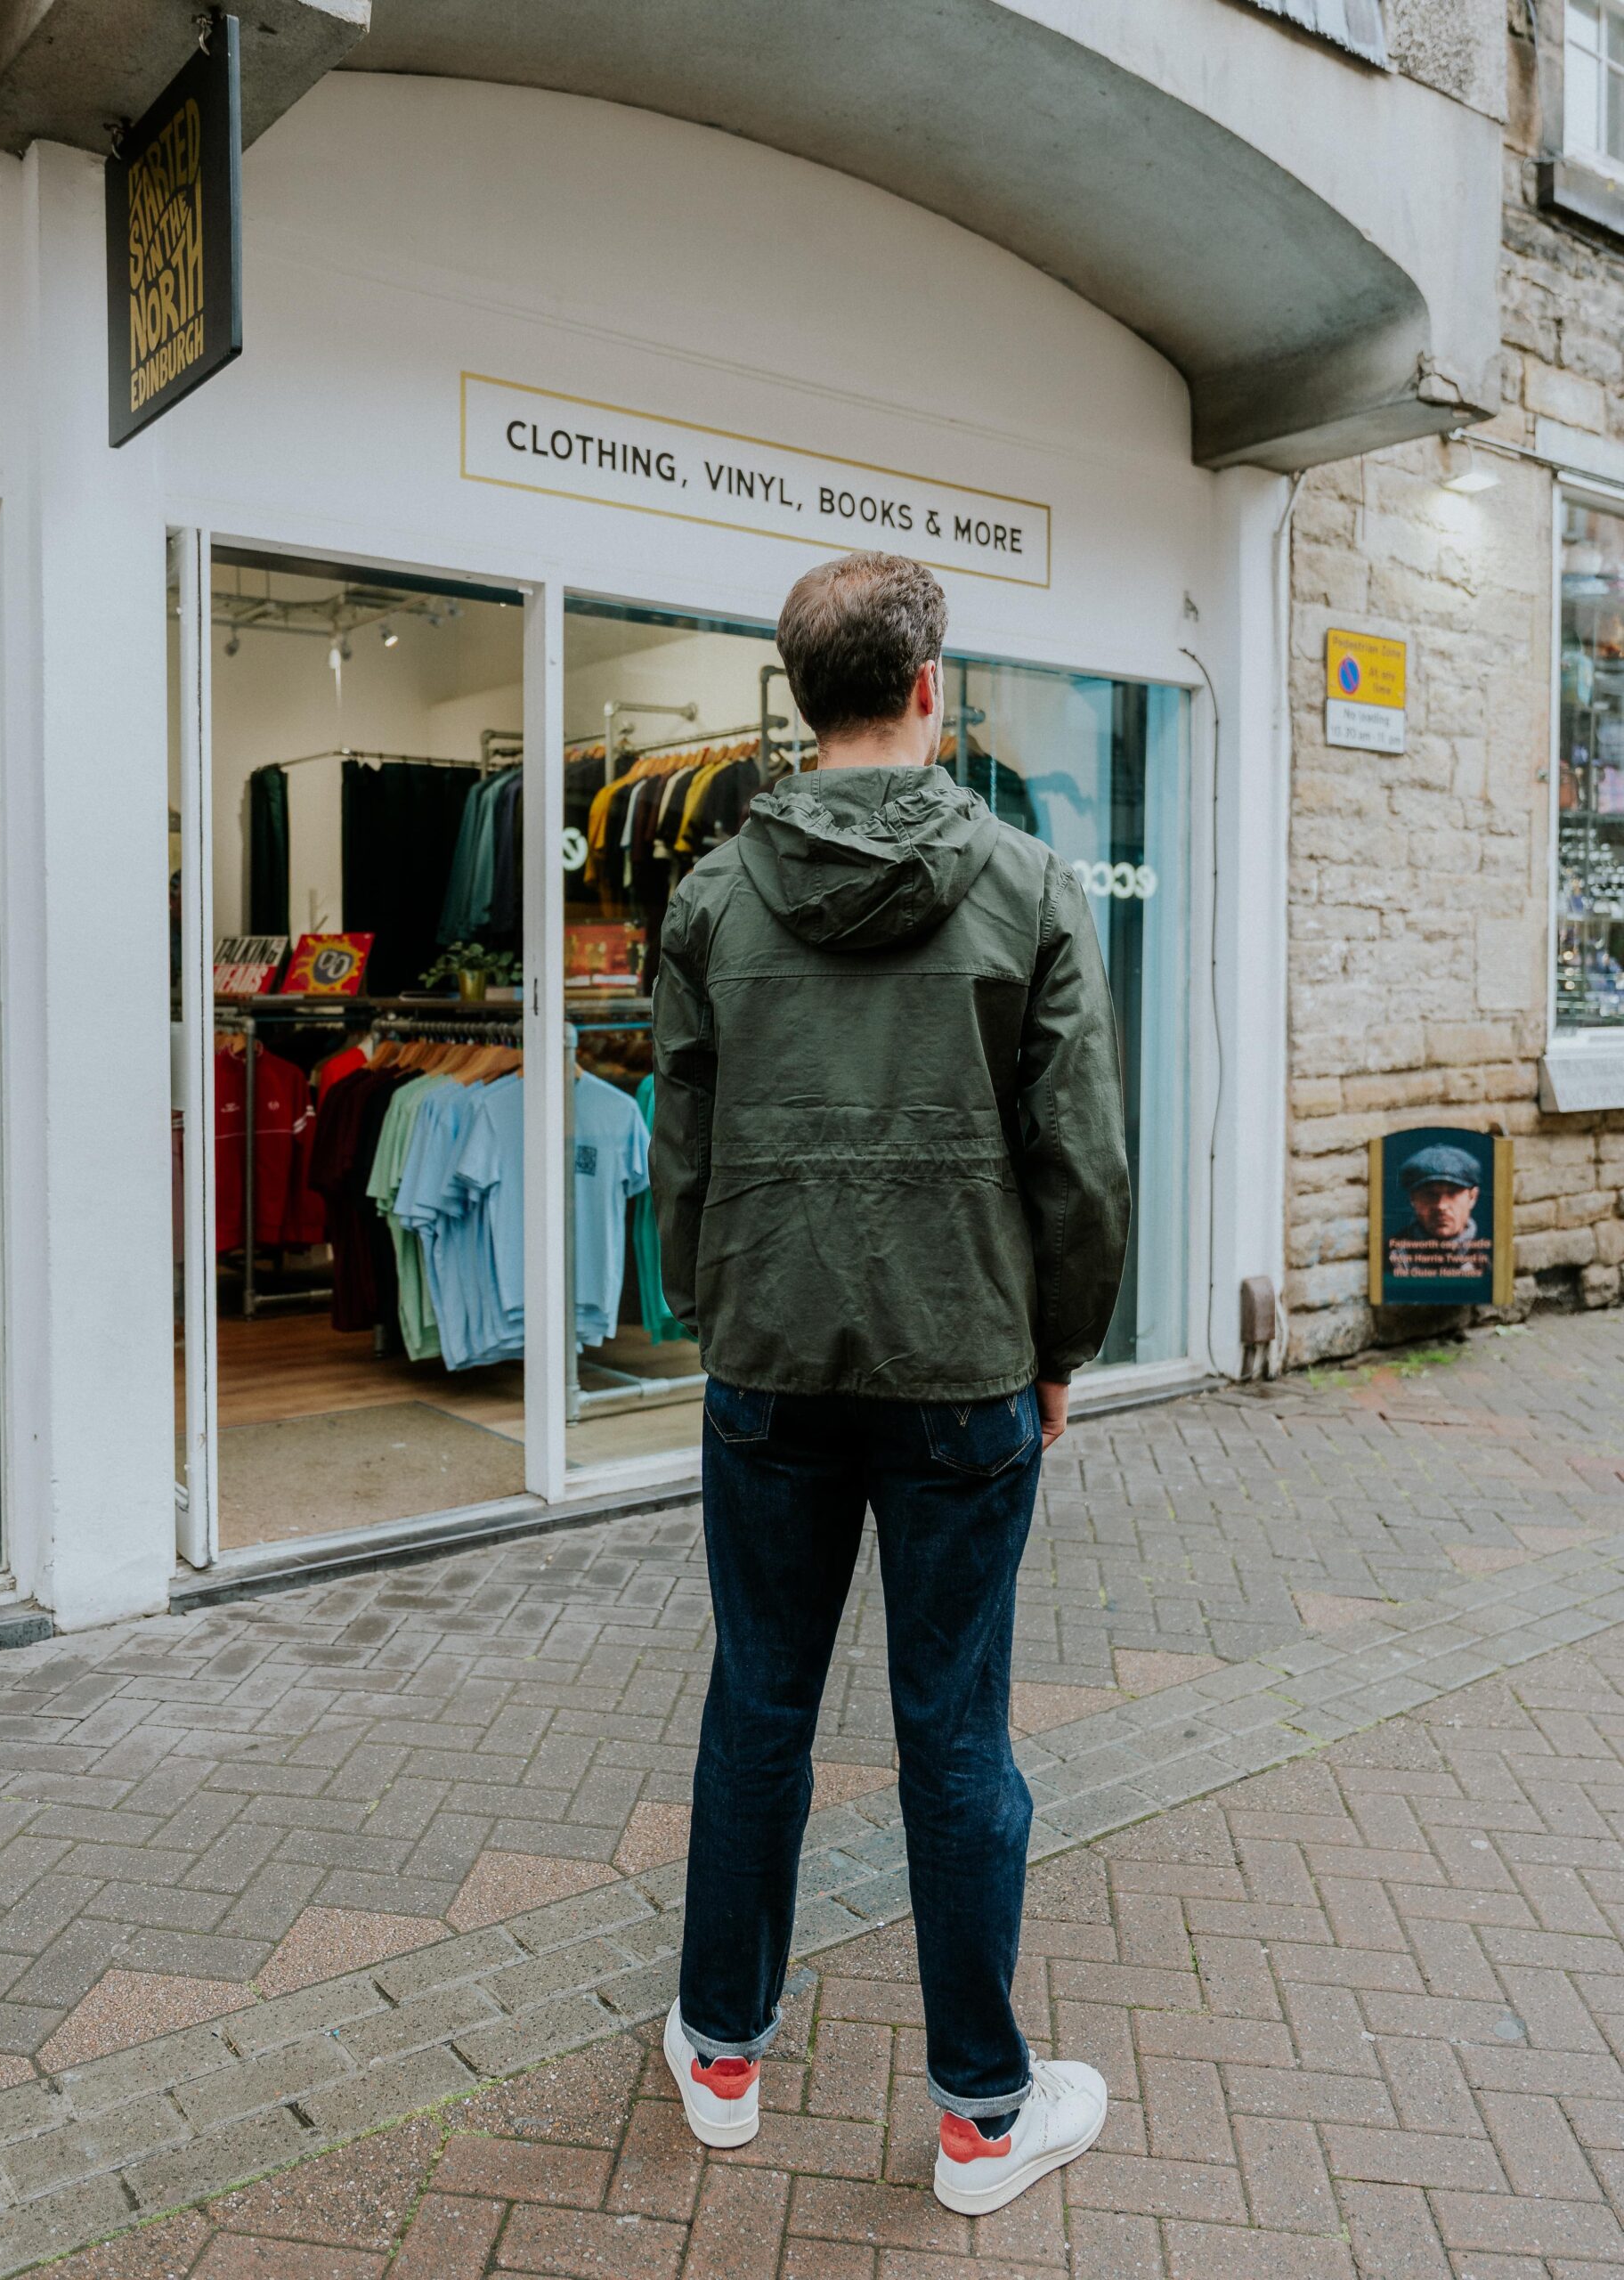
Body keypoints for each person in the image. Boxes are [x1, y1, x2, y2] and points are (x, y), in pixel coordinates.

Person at [651, 550, 1131, 2216]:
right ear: (931, 687)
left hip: (769, 1364)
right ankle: (981, 2118)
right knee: (954, 1737)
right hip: (961, 1372)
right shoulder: (1030, 885)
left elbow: (681, 1153)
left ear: (803, 700)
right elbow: (1076, 1160)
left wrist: (706, 1308)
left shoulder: (711, 895)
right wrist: (1057, 1346)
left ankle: (720, 2053)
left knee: (759, 1710)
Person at [1387, 1143, 1484, 1258]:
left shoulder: (1494, 1256)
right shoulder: (1385, 1258)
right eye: (1430, 1194)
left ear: (1472, 1197)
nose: (1441, 1206)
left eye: (1452, 1193)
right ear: (1412, 1199)